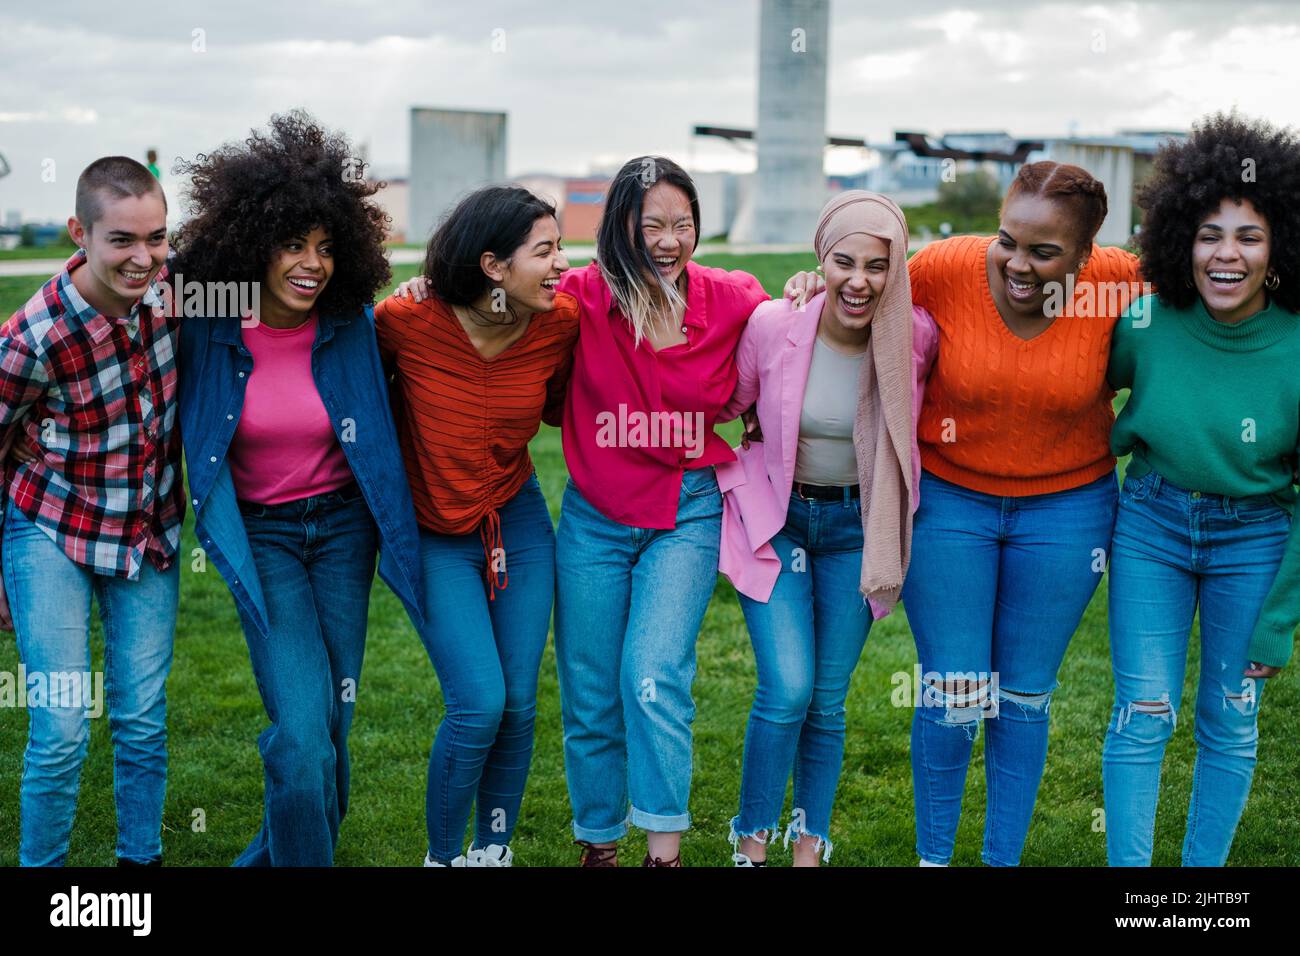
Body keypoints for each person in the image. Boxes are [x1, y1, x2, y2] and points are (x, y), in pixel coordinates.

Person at [785, 161, 1141, 866]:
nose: (1018, 263)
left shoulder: (1118, 282)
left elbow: (1211, 305)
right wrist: (809, 285)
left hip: (1067, 512)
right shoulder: (946, 267)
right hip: (951, 502)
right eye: (1008, 240)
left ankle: (1000, 860)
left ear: (1086, 253)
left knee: (1025, 699)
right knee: (954, 691)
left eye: (1046, 252)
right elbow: (864, 287)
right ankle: (934, 859)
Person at [171, 111, 424, 866]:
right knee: (304, 735)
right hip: (265, 540)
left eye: (324, 246)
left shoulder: (351, 321)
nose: (311, 264)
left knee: (332, 727)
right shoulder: (208, 318)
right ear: (252, 244)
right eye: (292, 244)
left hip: (344, 533)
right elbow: (123, 291)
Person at [553, 156, 769, 867]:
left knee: (652, 674)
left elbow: (792, 323)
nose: (670, 239)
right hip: (595, 516)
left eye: (683, 224)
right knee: (590, 684)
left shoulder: (731, 298)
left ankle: (663, 852)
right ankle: (599, 844)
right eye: (653, 225)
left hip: (686, 511)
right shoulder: (583, 295)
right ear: (621, 226)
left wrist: (805, 284)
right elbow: (493, 288)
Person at [1103, 111, 1300, 866]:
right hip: (1151, 523)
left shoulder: (1293, 343)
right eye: (1209, 234)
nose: (1227, 254)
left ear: (1278, 245)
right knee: (1142, 713)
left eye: (1249, 236)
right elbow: (1078, 385)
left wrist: (1279, 617)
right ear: (1179, 237)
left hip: (1255, 538)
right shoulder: (1147, 321)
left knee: (1230, 719)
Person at [717, 191, 936, 866]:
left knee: (827, 700)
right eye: (844, 262)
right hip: (781, 523)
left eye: (878, 266)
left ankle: (809, 843)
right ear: (821, 259)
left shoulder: (915, 338)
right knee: (787, 688)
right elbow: (728, 403)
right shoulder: (773, 324)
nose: (860, 281)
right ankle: (752, 840)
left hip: (856, 527)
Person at [380, 185, 578, 867]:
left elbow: (562, 407)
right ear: (493, 266)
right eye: (546, 251)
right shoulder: (404, 323)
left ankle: (491, 850)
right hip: (433, 531)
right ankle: (441, 858)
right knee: (479, 703)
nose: (562, 265)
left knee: (520, 703)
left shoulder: (560, 323)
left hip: (515, 518)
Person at [0, 156, 181, 866]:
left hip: (147, 530)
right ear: (81, 232)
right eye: (122, 241)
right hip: (51, 525)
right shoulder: (31, 339)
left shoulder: (178, 293)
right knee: (62, 725)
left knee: (140, 718)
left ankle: (140, 866)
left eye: (158, 238)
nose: (143, 259)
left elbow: (276, 290)